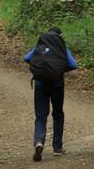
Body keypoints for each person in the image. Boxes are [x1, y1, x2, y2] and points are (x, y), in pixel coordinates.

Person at [23, 26, 78, 161]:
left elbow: (26, 58)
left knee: (41, 115)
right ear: (60, 36)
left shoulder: (39, 46)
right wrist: (60, 69)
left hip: (40, 84)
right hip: (57, 84)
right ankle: (57, 147)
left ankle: (39, 141)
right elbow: (73, 64)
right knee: (58, 114)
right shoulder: (61, 48)